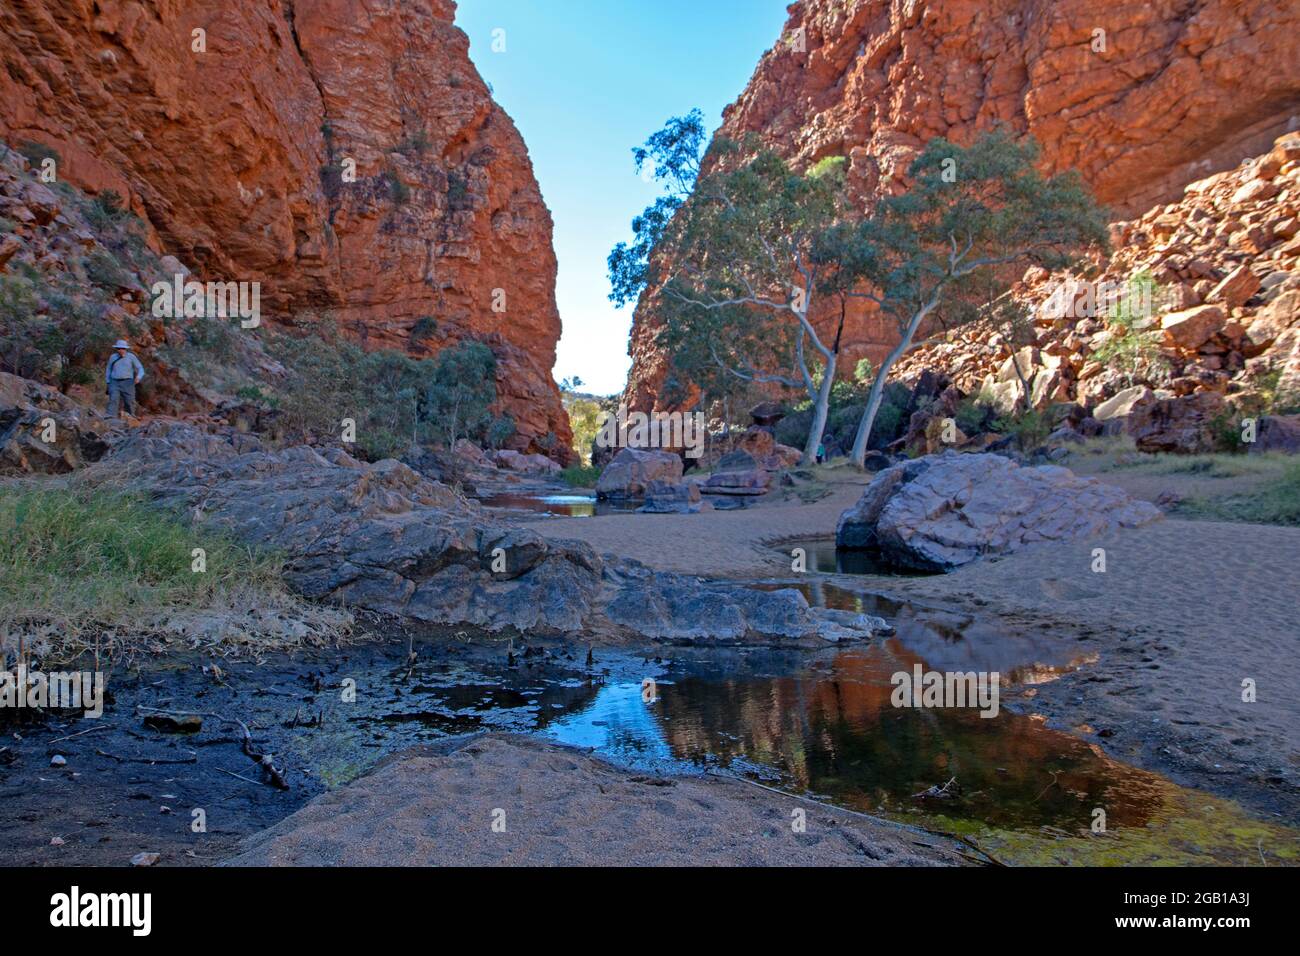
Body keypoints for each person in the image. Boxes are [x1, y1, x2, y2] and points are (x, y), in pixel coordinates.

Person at [105, 339, 145, 418]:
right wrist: (108, 381)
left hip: (128, 382)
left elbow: (140, 368)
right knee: (113, 399)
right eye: (119, 348)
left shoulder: (131, 357)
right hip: (114, 382)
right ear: (116, 349)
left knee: (129, 401)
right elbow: (108, 369)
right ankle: (110, 418)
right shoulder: (113, 357)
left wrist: (138, 377)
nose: (121, 350)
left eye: (123, 348)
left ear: (126, 349)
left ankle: (130, 418)